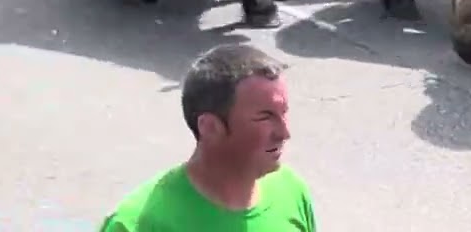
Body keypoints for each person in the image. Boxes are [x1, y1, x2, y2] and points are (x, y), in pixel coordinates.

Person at [99, 43, 318, 231]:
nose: (284, 133)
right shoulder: (138, 225)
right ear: (210, 127)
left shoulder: (291, 192)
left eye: (283, 112)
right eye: (265, 117)